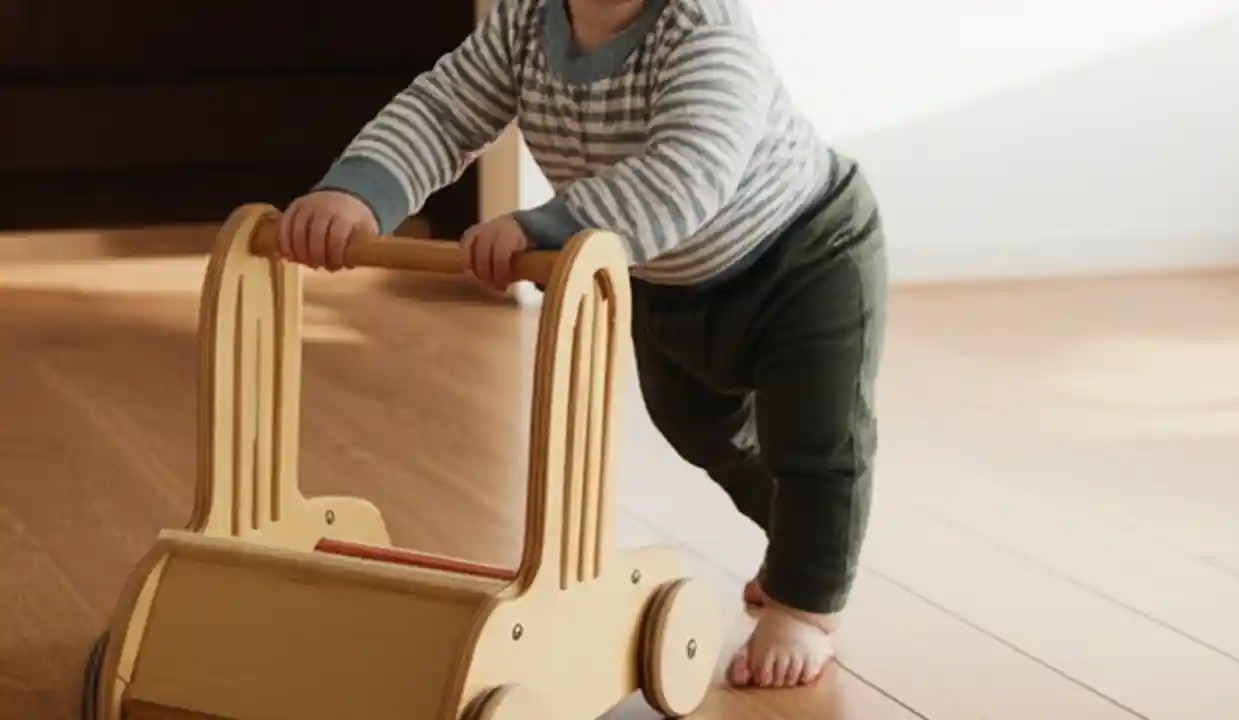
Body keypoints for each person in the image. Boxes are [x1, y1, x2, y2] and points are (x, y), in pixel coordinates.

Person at [277, 0, 887, 690]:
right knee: (696, 427)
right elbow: (443, 112)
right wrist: (361, 194)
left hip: (804, 255)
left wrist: (545, 228)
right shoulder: (524, 24)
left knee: (817, 442)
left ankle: (807, 604)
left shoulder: (703, 29)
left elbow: (689, 173)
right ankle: (804, 540)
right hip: (666, 273)